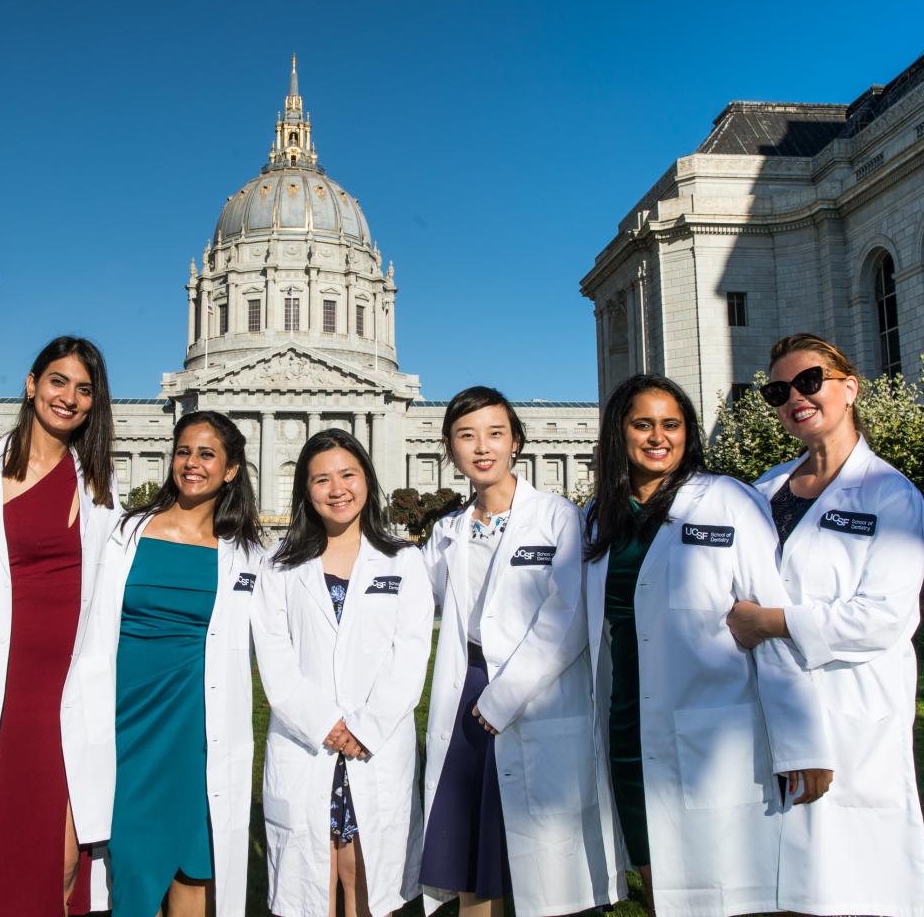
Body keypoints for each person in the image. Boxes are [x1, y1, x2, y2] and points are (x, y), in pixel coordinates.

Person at [584, 374, 833, 917]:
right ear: (619, 433)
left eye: (671, 425)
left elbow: (769, 624)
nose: (658, 437)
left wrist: (803, 742)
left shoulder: (727, 500)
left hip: (714, 721)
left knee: (725, 883)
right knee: (655, 870)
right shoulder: (599, 516)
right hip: (627, 722)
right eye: (643, 424)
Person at [727, 333, 924, 917]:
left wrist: (770, 622)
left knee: (849, 877)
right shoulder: (763, 490)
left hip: (849, 706)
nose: (795, 397)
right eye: (778, 391)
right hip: (765, 702)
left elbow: (885, 617)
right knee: (774, 876)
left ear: (849, 388)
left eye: (809, 381)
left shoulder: (891, 496)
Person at [416, 386, 620, 917]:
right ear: (449, 448)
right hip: (468, 691)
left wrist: (506, 695)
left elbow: (567, 617)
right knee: (471, 856)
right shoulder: (447, 531)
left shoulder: (558, 517)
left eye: (495, 433)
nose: (482, 447)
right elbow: (415, 602)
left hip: (536, 693)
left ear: (516, 442)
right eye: (466, 435)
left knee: (551, 866)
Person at [0, 337, 120, 915]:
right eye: (57, 382)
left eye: (84, 389)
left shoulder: (100, 486)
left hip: (68, 688)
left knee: (61, 858)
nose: (69, 398)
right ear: (31, 385)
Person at [86, 411, 265, 917]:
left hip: (199, 725)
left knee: (195, 865)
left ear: (231, 469)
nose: (192, 463)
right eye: (184, 451)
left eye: (207, 454)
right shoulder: (124, 533)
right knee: (133, 864)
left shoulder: (247, 555)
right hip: (128, 719)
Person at [251, 429, 433, 917]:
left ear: (367, 480)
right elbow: (274, 655)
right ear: (305, 490)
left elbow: (410, 653)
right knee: (312, 874)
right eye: (321, 480)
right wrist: (323, 724)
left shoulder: (404, 559)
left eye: (348, 475)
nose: (337, 490)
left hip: (375, 741)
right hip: (306, 741)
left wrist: (364, 728)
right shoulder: (277, 565)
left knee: (364, 871)